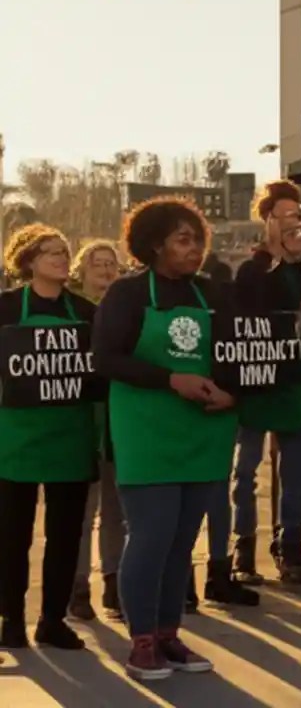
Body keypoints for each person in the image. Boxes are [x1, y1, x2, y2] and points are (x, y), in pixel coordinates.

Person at [93, 196, 238, 680]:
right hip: (146, 430)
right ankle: (141, 642)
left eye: (198, 239)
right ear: (154, 245)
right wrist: (170, 379)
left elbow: (238, 353)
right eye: (183, 239)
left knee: (181, 541)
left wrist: (229, 392)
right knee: (151, 536)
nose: (194, 249)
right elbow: (108, 358)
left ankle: (169, 634)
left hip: (203, 429)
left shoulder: (212, 293)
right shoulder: (128, 294)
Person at [204, 179, 301, 605]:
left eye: (297, 216)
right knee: (245, 470)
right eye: (283, 216)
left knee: (297, 468)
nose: (292, 223)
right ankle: (244, 546)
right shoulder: (251, 270)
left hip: (296, 382)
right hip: (255, 382)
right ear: (267, 222)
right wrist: (299, 306)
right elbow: (248, 319)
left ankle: (290, 544)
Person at [0, 224, 99, 650]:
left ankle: (52, 620)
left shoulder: (87, 311)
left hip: (71, 440)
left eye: (64, 250)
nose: (61, 257)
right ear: (29, 262)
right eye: (49, 252)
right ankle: (11, 621)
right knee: (11, 536)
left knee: (64, 537)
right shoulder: (5, 308)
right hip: (15, 442)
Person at [66, 240, 125, 622]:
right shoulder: (73, 314)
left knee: (118, 509)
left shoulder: (126, 311)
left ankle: (114, 584)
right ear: (82, 272)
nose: (105, 270)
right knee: (84, 511)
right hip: (84, 420)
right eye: (97, 264)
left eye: (111, 264)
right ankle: (77, 588)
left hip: (121, 419)